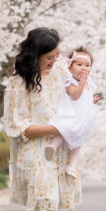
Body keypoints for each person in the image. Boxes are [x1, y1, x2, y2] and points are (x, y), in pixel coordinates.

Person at [3, 27, 81, 211]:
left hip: (63, 151)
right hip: (35, 153)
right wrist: (54, 129)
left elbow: (75, 99)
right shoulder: (18, 84)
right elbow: (17, 126)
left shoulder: (61, 72)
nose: (54, 60)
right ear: (34, 54)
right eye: (49, 56)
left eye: (58, 55)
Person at [44, 47, 99, 178]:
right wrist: (81, 82)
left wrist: (91, 100)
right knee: (63, 129)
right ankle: (52, 147)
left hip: (83, 118)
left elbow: (84, 98)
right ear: (70, 68)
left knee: (79, 141)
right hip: (71, 115)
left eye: (87, 65)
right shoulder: (70, 82)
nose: (83, 68)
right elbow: (75, 95)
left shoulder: (89, 84)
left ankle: (72, 166)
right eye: (79, 65)